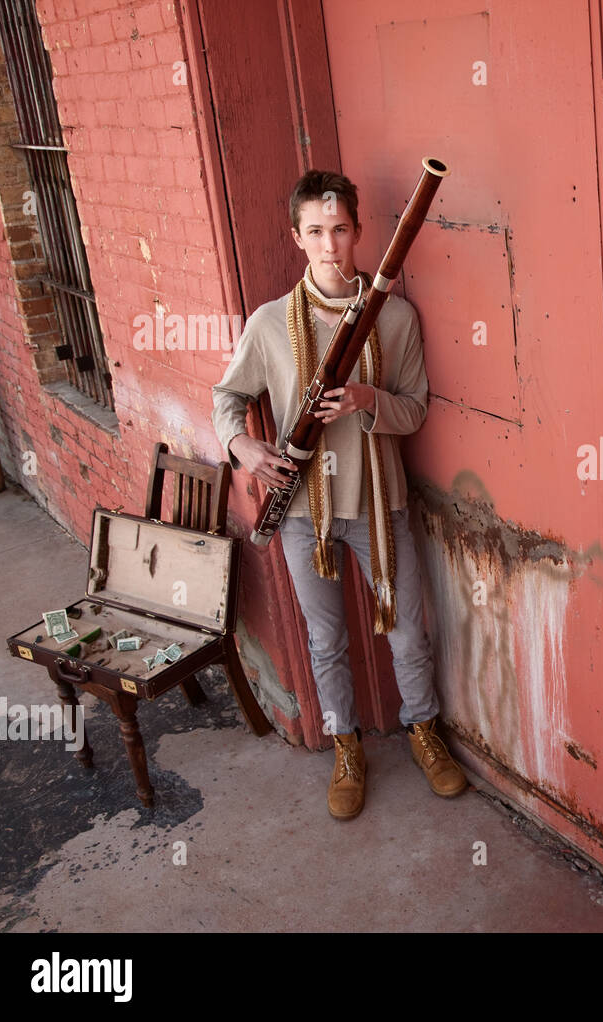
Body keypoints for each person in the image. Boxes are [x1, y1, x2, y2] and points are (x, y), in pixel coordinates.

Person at [211, 168, 466, 820]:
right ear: (298, 237)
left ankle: (423, 731)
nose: (331, 244)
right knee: (325, 642)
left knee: (408, 635)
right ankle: (345, 746)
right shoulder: (270, 325)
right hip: (301, 514)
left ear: (358, 232)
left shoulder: (396, 316)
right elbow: (227, 402)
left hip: (382, 505)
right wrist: (246, 448)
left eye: (341, 230)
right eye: (316, 231)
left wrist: (364, 399)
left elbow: (415, 411)